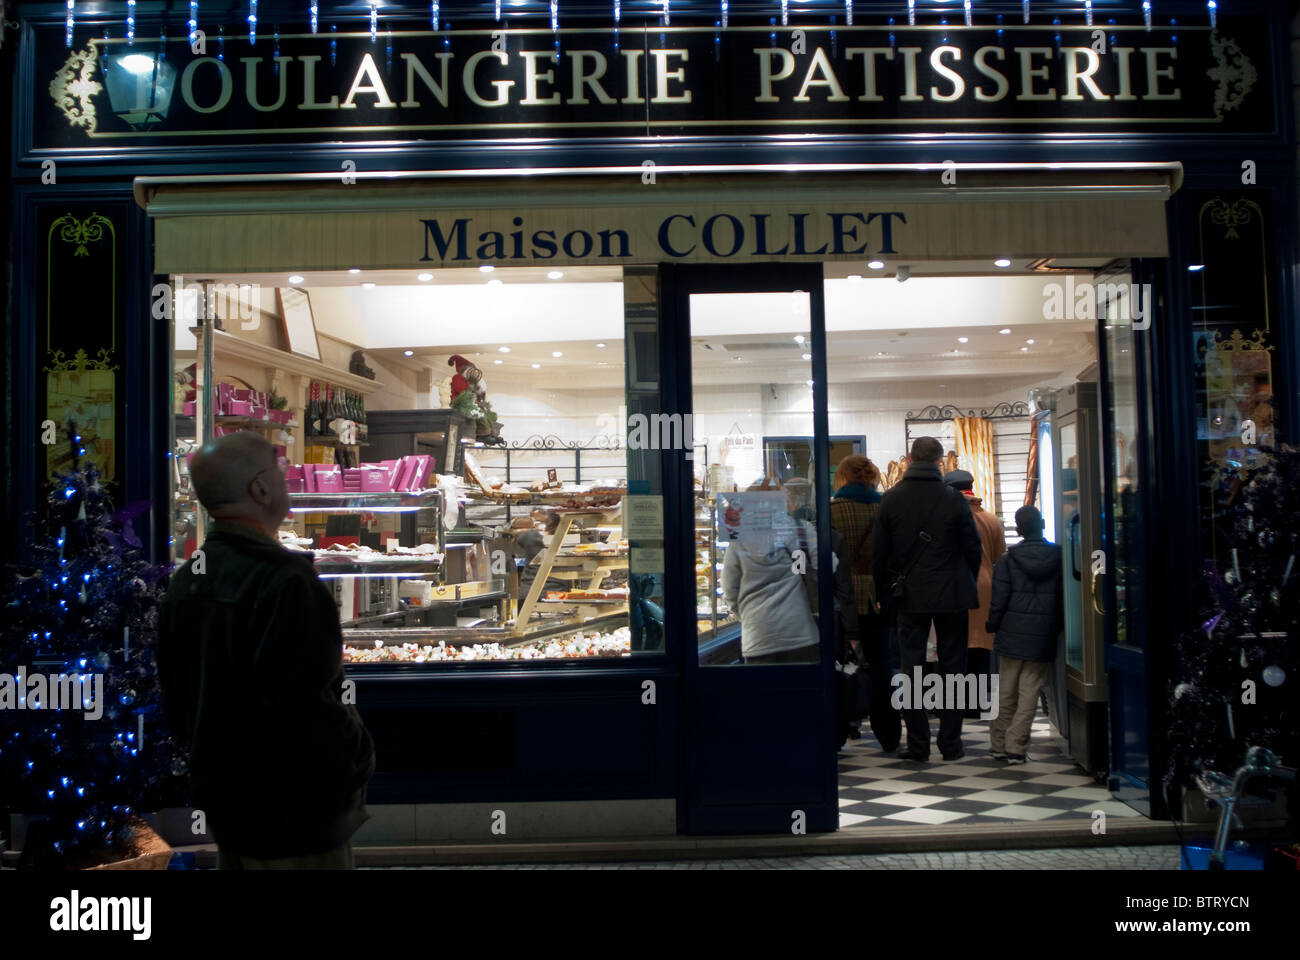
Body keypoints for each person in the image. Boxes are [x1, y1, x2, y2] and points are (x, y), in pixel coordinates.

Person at [157, 431, 375, 869]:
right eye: (278, 469)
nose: (286, 479)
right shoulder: (286, 581)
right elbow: (309, 706)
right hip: (297, 808)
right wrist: (359, 757)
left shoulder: (186, 582)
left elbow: (178, 699)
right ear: (259, 488)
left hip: (227, 803)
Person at [872, 437, 981, 762]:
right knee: (954, 669)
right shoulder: (953, 499)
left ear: (909, 458)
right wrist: (965, 581)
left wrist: (883, 593)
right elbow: (972, 548)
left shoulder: (891, 499)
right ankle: (951, 743)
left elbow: (879, 554)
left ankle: (918, 743)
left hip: (909, 596)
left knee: (911, 669)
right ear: (938, 461)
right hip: (952, 594)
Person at [830, 454, 900, 752]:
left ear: (843, 477)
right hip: (878, 596)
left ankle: (837, 734)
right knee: (882, 667)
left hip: (841, 598)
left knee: (840, 667)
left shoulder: (831, 511)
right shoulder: (887, 508)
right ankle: (889, 735)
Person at [986, 505, 1064, 764]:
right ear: (1042, 524)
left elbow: (999, 599)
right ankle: (1016, 747)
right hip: (1042, 633)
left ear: (1018, 529)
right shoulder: (1059, 558)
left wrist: (993, 625)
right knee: (1030, 690)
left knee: (1006, 689)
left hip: (1011, 631)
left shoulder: (1008, 561)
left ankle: (998, 743)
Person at [943, 469, 1007, 717]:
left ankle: (955, 704)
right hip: (986, 587)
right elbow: (1000, 558)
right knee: (980, 646)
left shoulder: (946, 517)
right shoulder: (991, 519)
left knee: (954, 647)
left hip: (954, 586)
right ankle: (977, 704)